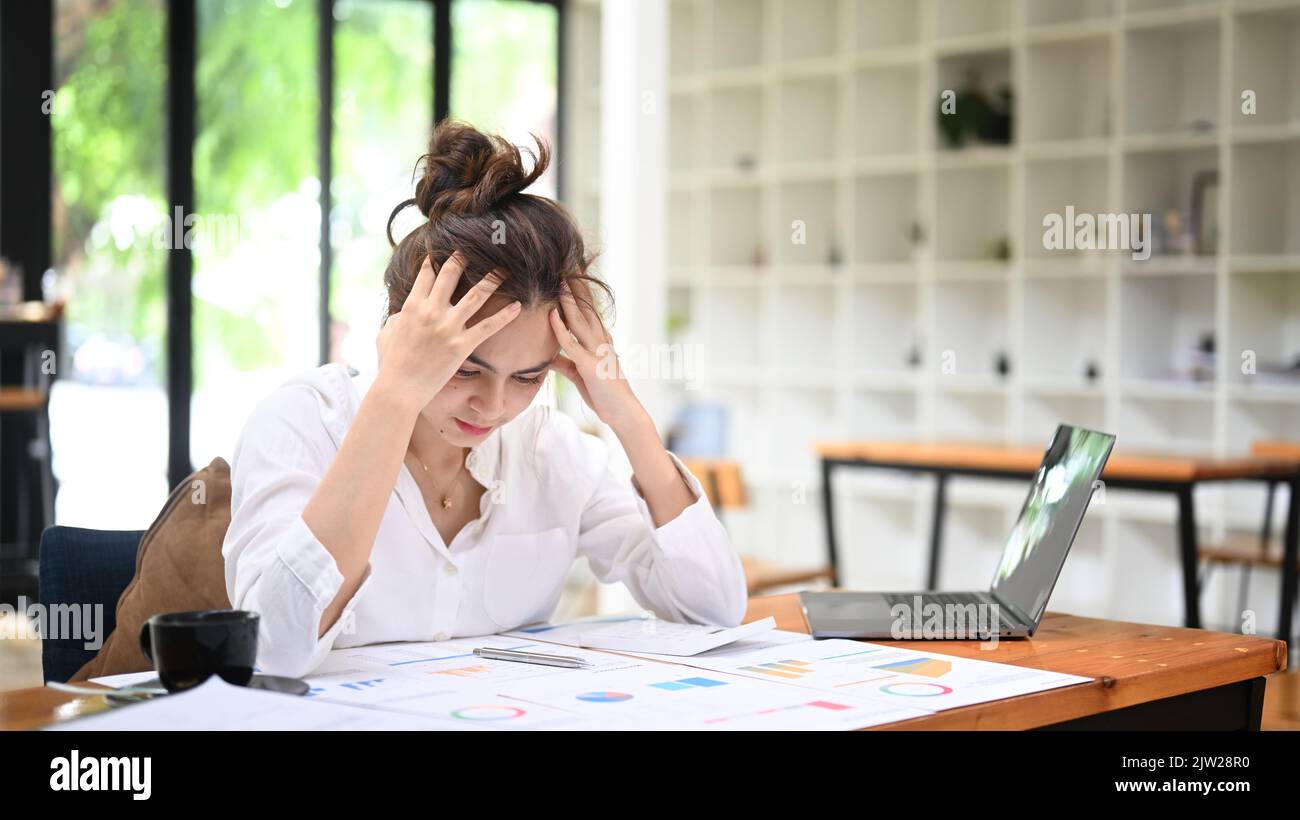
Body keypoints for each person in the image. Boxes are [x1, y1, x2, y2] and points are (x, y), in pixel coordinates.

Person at [221, 120, 748, 678]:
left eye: (528, 377)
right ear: (403, 331)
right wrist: (394, 399)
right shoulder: (303, 423)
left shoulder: (552, 451)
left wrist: (630, 419)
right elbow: (271, 651)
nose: (493, 406)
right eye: (467, 368)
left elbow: (711, 610)